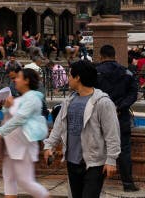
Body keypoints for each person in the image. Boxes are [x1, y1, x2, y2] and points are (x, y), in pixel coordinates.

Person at [43, 60, 120, 198]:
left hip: (94, 163)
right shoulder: (69, 101)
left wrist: (111, 160)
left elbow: (112, 133)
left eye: (70, 75)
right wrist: (49, 145)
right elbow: (59, 126)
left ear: (77, 77)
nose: (68, 78)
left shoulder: (103, 102)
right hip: (72, 161)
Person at [0, 68, 49, 198]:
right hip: (11, 146)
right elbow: (9, 116)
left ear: (26, 80)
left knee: (25, 181)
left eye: (19, 77)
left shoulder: (33, 99)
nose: (15, 80)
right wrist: (6, 106)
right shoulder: (21, 99)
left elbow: (20, 118)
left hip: (23, 146)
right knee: (9, 179)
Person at [96, 45, 139, 192]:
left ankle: (96, 183)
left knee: (98, 148)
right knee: (124, 149)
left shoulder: (95, 72)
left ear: (100, 56)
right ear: (115, 56)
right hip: (121, 116)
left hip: (99, 117)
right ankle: (128, 184)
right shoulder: (127, 72)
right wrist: (120, 107)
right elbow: (133, 94)